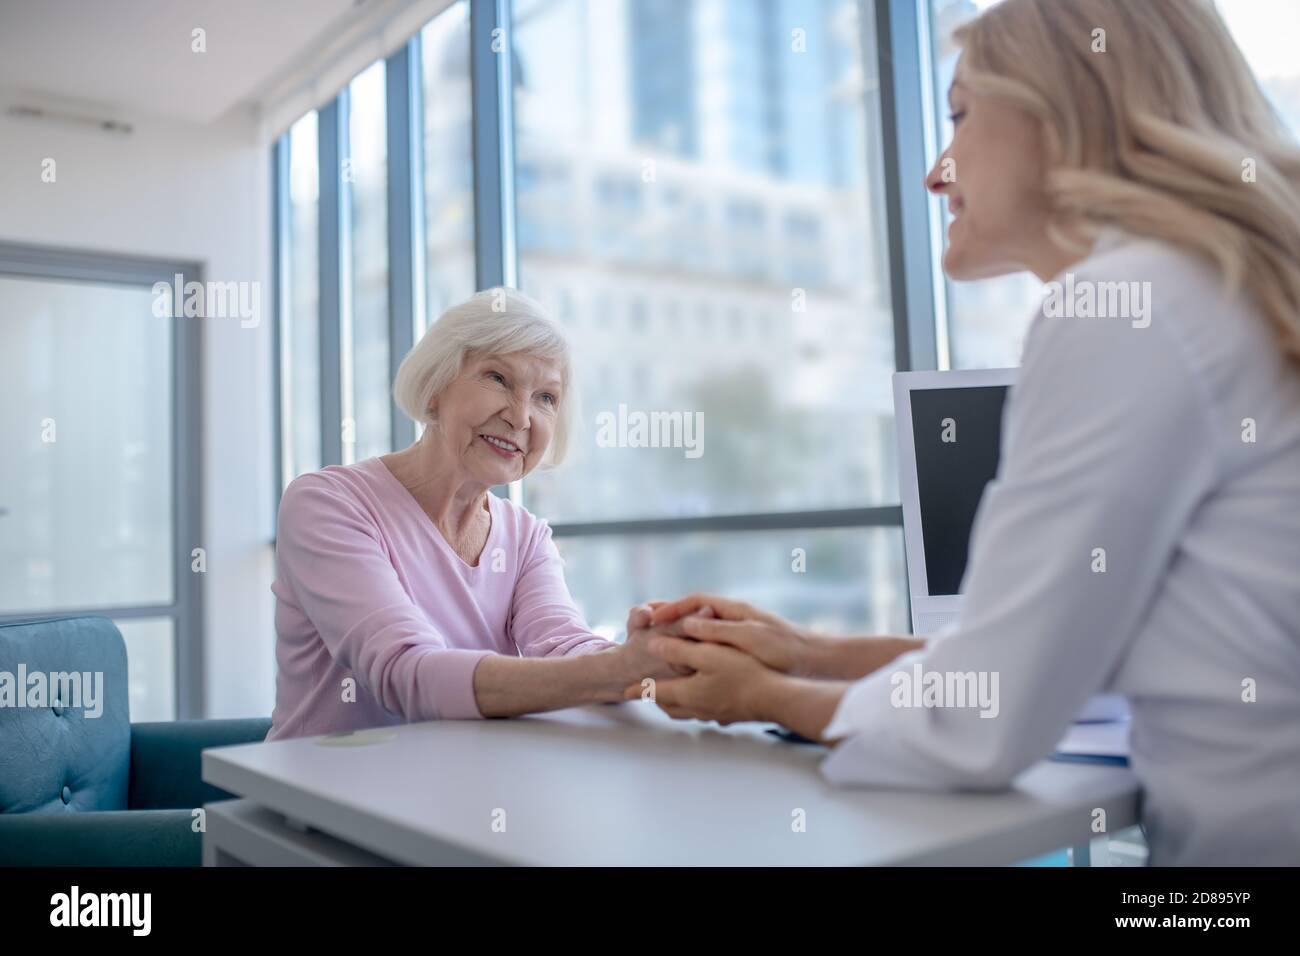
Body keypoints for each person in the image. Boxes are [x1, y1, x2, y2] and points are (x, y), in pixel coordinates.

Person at [634, 0, 1300, 866]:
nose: (935, 173)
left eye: (960, 114)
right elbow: (1081, 651)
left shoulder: (1127, 308)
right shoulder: (1220, 292)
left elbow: (980, 718)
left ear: (1063, 107)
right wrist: (811, 653)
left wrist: (763, 693)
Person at [268, 289, 674, 740]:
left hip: (458, 792)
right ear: (435, 388)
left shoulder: (525, 537)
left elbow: (562, 644)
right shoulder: (328, 503)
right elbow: (405, 673)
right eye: (498, 379)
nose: (520, 417)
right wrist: (617, 671)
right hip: (318, 796)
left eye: (546, 398)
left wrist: (653, 653)